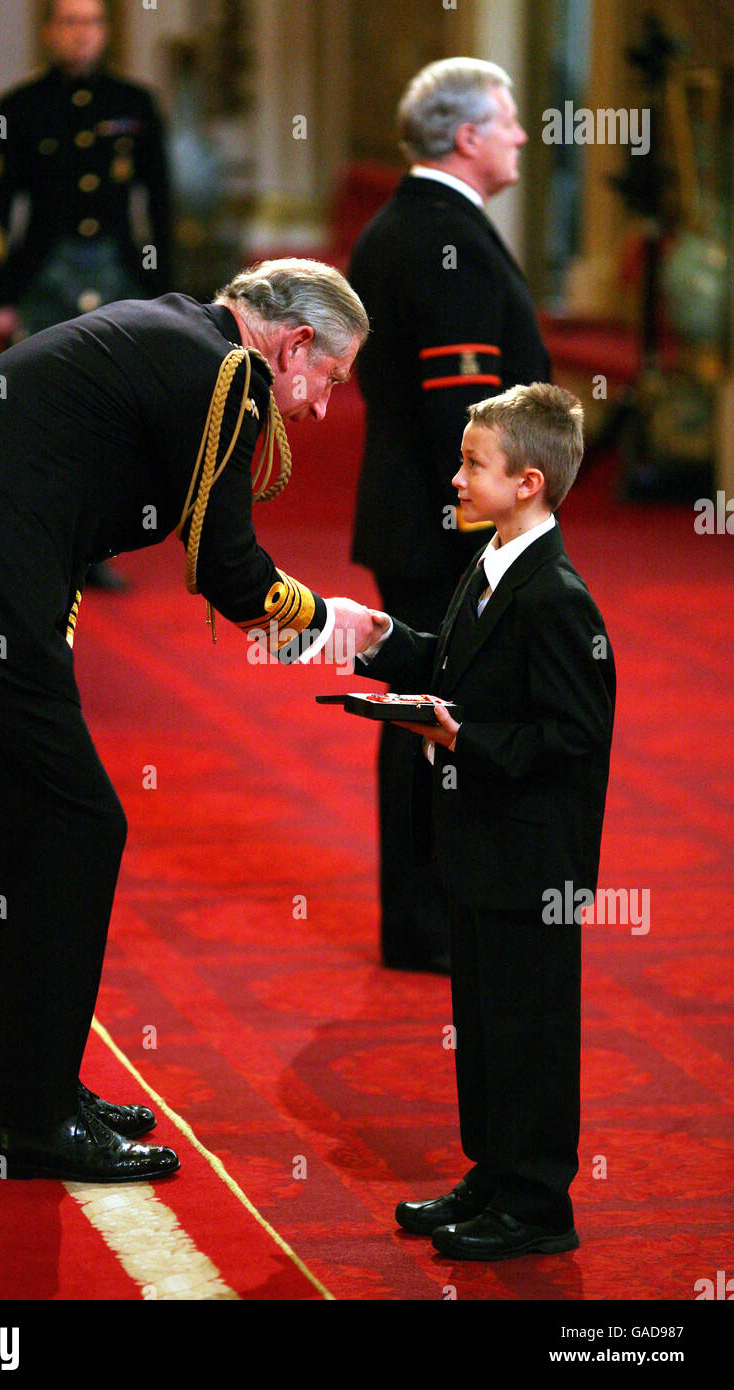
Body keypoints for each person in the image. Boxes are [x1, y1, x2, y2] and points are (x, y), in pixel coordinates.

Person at [0, 259, 386, 1184]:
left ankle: (34, 1094)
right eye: (331, 381)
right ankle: (37, 1119)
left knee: (3, 836)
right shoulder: (229, 372)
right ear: (295, 344)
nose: (317, 409)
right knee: (76, 827)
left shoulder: (179, 335)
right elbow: (230, 570)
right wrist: (322, 618)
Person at [354, 383, 616, 1259]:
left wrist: (463, 736)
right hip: (481, 848)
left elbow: (573, 737)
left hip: (534, 863)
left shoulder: (558, 597)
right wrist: (379, 635)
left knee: (530, 1029)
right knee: (485, 1020)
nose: (456, 478)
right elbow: (449, 660)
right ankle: (495, 1172)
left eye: (474, 465)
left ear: (530, 482)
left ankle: (539, 1203)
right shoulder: (492, 562)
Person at [348, 58, 551, 973]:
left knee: (425, 708)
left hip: (418, 519)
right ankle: (433, 921)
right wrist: (502, 537)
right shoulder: (449, 239)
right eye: (508, 122)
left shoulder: (408, 224)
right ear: (468, 137)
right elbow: (466, 418)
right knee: (441, 713)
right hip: (447, 531)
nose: (520, 136)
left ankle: (424, 915)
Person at [0, 0, 174, 590]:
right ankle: (31, 544)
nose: (81, 34)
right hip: (42, 271)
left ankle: (91, 548)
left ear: (105, 32)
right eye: (68, 22)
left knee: (107, 418)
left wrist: (162, 291)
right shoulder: (17, 108)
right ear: (49, 32)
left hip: (116, 268)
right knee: (32, 414)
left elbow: (158, 204)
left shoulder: (135, 105)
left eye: (91, 22)